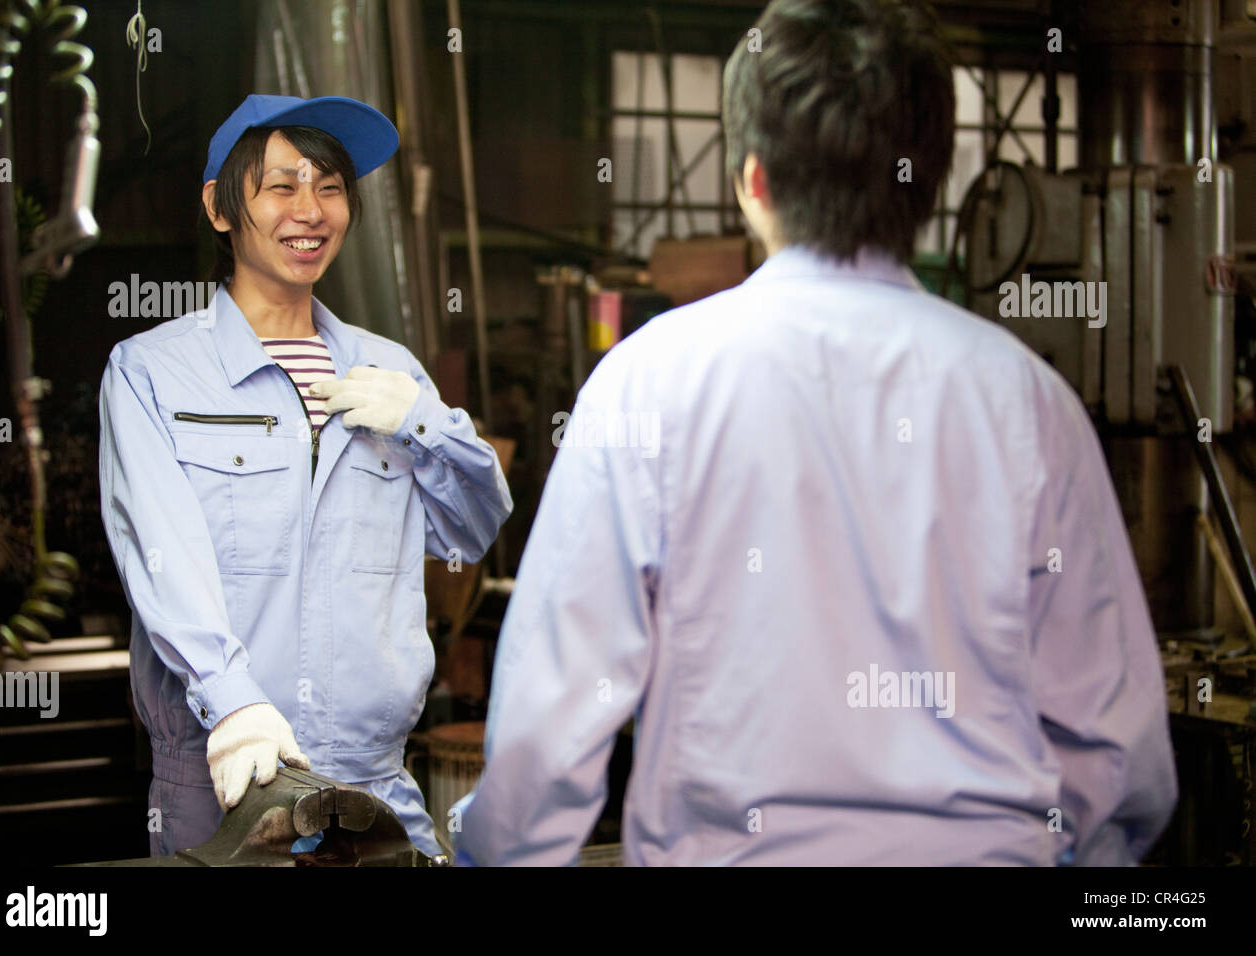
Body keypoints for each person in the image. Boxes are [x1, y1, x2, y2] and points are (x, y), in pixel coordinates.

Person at [452, 0, 1177, 865]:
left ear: (752, 181)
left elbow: (550, 724)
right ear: (933, 179)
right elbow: (1116, 755)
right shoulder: (1031, 404)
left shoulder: (649, 383)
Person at [99, 94, 512, 858]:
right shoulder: (155, 373)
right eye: (281, 186)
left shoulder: (391, 370)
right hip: (227, 777)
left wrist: (425, 422)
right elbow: (162, 555)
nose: (310, 210)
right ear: (221, 209)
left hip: (377, 786)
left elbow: (475, 529)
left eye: (328, 186)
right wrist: (233, 706)